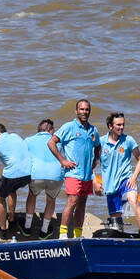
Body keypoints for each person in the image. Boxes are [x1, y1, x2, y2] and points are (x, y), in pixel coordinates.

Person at [49, 99, 102, 240]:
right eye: (82, 109)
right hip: (73, 173)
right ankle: (63, 234)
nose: (84, 112)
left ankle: (78, 235)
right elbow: (51, 142)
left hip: (86, 175)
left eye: (87, 109)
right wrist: (62, 160)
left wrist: (95, 161)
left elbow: (98, 146)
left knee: (82, 204)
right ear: (76, 111)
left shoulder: (93, 130)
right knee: (72, 201)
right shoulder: (69, 127)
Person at [99, 112, 140, 237]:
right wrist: (94, 181)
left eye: (123, 125)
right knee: (116, 218)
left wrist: (134, 177)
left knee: (133, 201)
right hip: (110, 186)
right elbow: (92, 163)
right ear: (110, 126)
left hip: (126, 180)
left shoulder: (128, 140)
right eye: (118, 125)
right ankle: (119, 240)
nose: (121, 127)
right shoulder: (101, 142)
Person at [0, 122, 32, 240]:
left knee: (0, 198)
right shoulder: (15, 136)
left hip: (12, 174)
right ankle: (11, 220)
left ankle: (2, 229)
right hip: (27, 174)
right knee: (12, 191)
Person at [23, 118, 64, 238]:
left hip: (37, 175)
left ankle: (27, 227)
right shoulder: (58, 142)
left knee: (32, 194)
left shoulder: (28, 140)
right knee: (51, 200)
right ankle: (44, 230)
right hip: (56, 175)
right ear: (50, 130)